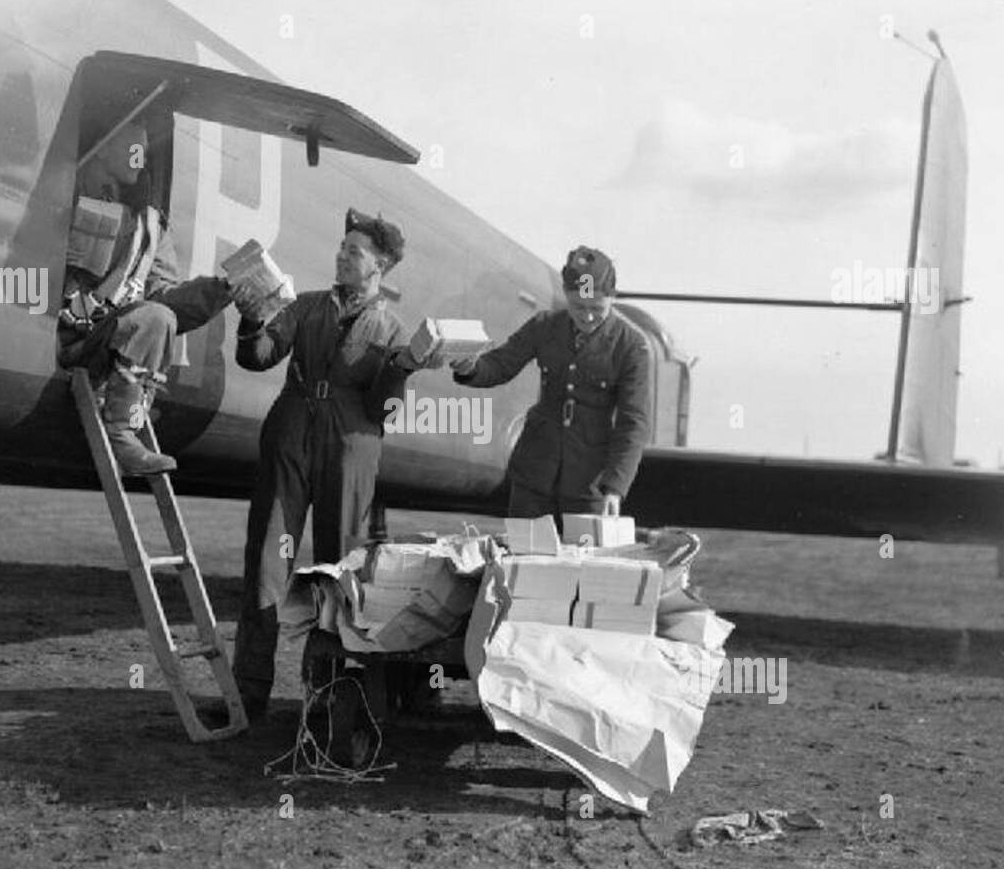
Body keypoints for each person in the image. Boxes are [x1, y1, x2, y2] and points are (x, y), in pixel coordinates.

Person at [231, 209, 437, 719]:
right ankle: (247, 696)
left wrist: (402, 369)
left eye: (355, 251)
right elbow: (257, 357)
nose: (342, 256)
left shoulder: (392, 331)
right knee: (265, 563)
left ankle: (327, 699)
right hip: (291, 436)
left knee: (338, 570)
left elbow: (381, 410)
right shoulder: (303, 307)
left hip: (352, 447)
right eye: (342, 247)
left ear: (380, 265)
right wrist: (253, 317)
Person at [57, 119, 234, 475]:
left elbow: (162, 297)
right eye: (131, 148)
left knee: (159, 316)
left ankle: (122, 432)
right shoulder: (63, 189)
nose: (139, 158)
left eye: (143, 152)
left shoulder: (151, 226)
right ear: (104, 146)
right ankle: (122, 432)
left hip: (106, 341)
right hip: (59, 331)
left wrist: (220, 290)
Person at [450, 245, 652, 522]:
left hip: (589, 486)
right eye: (578, 306)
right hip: (534, 478)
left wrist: (615, 488)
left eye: (597, 308)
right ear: (566, 296)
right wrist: (470, 366)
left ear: (612, 298)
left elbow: (634, 423)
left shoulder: (632, 347)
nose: (587, 316)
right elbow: (500, 365)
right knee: (526, 560)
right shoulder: (544, 326)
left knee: (583, 564)